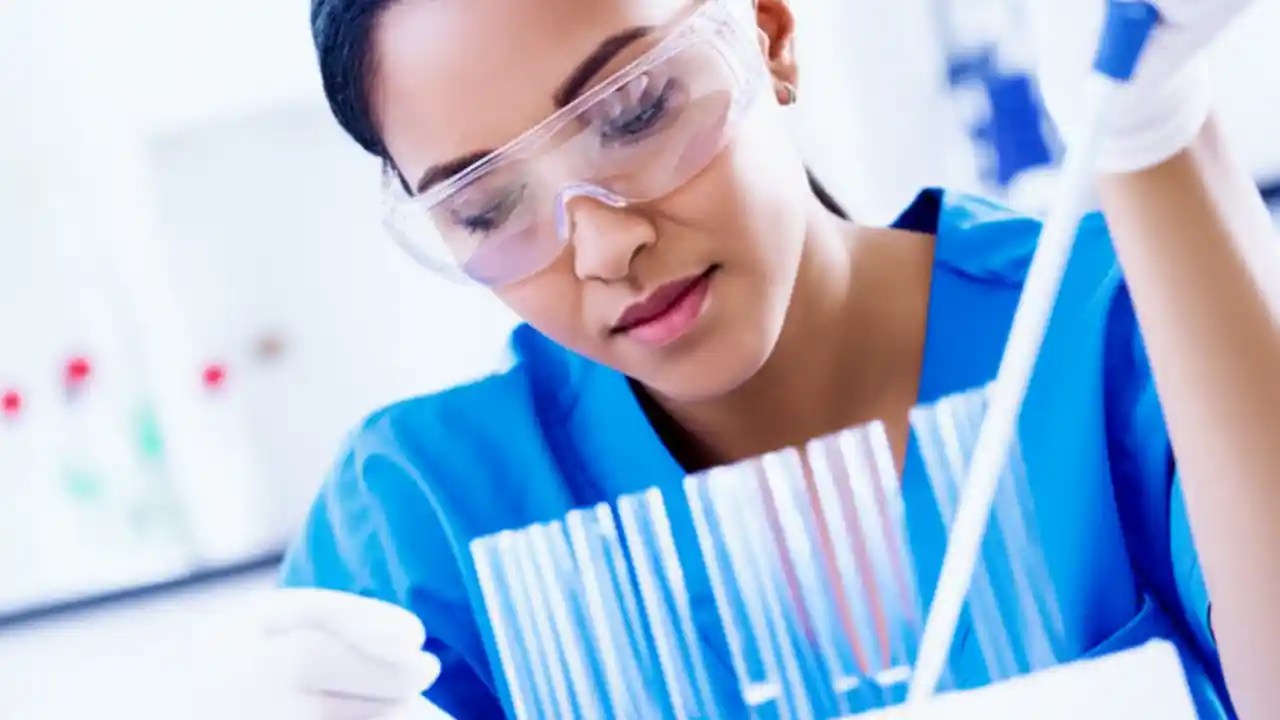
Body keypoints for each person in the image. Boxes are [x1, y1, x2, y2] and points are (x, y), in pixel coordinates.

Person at [259, 0, 1280, 718]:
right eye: (486, 208)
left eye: (635, 111)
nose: (604, 246)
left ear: (768, 31)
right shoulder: (420, 516)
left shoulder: (1117, 319)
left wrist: (1153, 137)